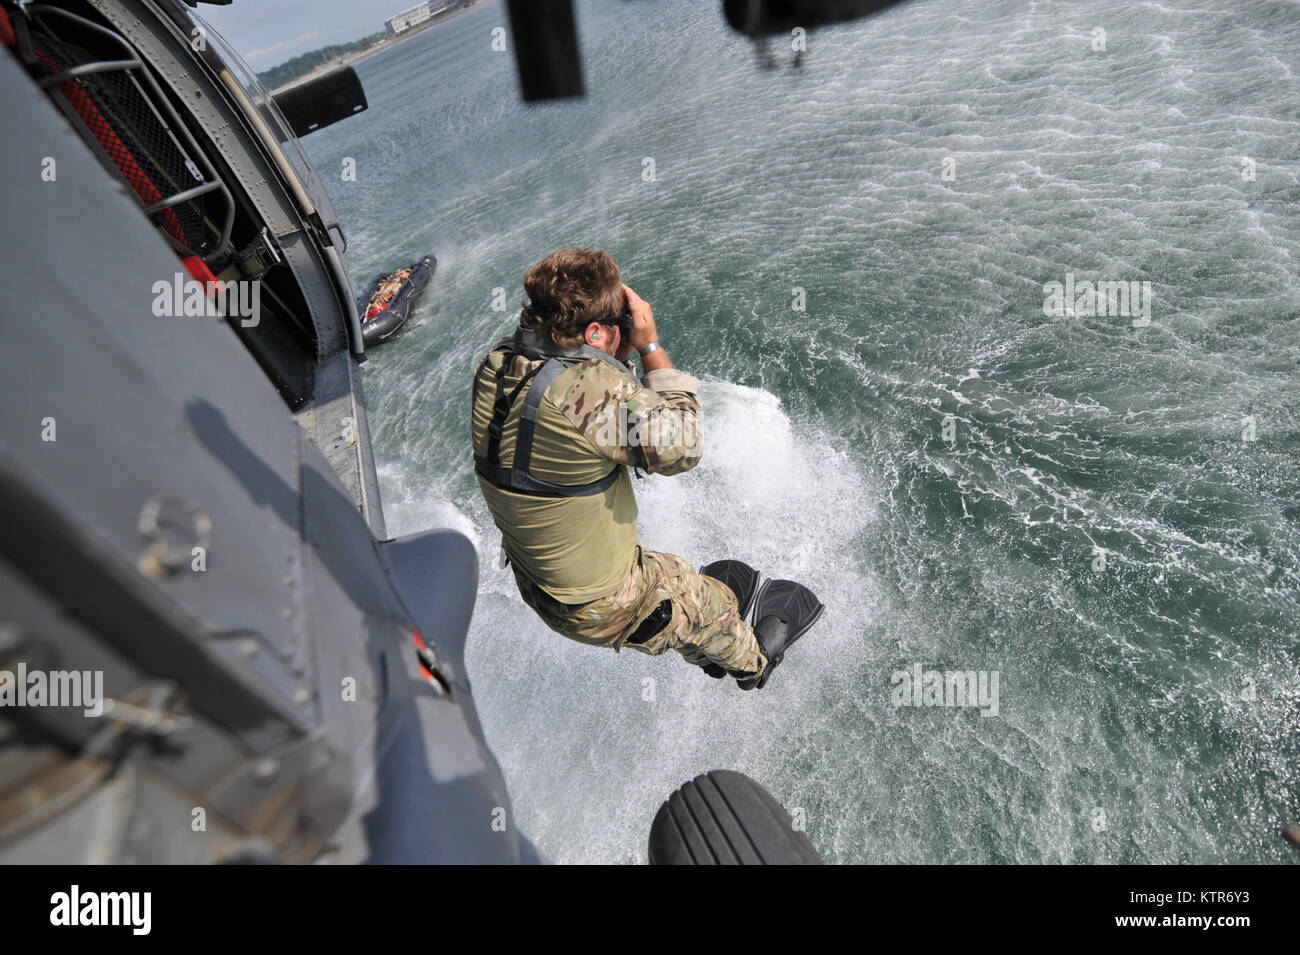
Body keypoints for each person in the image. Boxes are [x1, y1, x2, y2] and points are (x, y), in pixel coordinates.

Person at [470, 248, 797, 688]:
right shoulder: (592, 394)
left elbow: (577, 411)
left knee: (679, 577)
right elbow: (683, 449)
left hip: (539, 584)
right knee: (713, 607)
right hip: (600, 605)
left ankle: (691, 635)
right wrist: (648, 347)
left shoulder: (495, 363)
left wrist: (609, 357)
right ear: (592, 330)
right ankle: (752, 665)